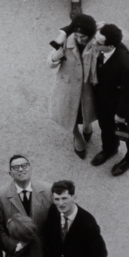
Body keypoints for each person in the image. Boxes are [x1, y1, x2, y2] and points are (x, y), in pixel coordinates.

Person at [88, 24, 129, 176]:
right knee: (105, 125)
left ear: (110, 46)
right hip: (103, 98)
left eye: (98, 43)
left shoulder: (126, 66)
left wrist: (121, 114)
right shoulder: (102, 48)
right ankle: (110, 149)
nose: (94, 44)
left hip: (119, 104)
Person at [47, 14, 99, 158]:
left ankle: (88, 126)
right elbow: (49, 63)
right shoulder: (65, 43)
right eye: (77, 35)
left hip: (88, 87)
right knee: (71, 116)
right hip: (68, 88)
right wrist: (54, 58)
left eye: (84, 37)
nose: (80, 39)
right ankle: (77, 137)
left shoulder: (97, 43)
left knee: (88, 111)